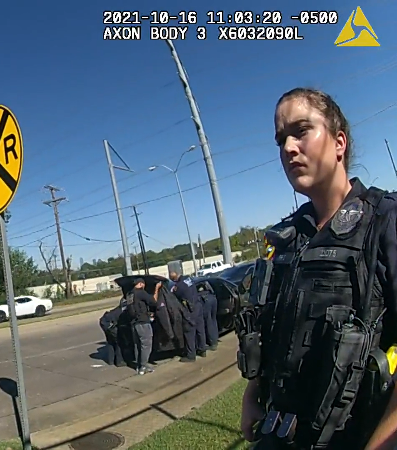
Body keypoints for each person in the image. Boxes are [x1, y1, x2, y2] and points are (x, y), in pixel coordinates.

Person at [237, 87, 397, 449]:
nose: (288, 148)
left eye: (301, 131)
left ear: (339, 142)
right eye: (281, 139)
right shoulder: (286, 238)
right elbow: (275, 332)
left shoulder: (383, 221)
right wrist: (252, 395)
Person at [126, 278, 161, 375]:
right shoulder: (141, 292)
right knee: (146, 345)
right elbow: (153, 301)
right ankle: (143, 367)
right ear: (140, 284)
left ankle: (139, 365)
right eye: (144, 284)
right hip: (143, 323)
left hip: (134, 323)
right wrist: (157, 288)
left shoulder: (130, 294)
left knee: (138, 345)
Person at [170, 271, 205, 362]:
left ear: (174, 279)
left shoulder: (179, 286)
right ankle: (202, 350)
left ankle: (191, 355)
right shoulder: (188, 279)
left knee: (189, 332)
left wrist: (173, 290)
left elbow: (174, 295)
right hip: (198, 306)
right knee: (200, 329)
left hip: (190, 309)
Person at [197, 282, 219, 351]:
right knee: (213, 320)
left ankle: (212, 343)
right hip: (212, 297)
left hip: (204, 299)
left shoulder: (190, 284)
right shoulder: (204, 282)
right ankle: (215, 340)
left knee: (208, 321)